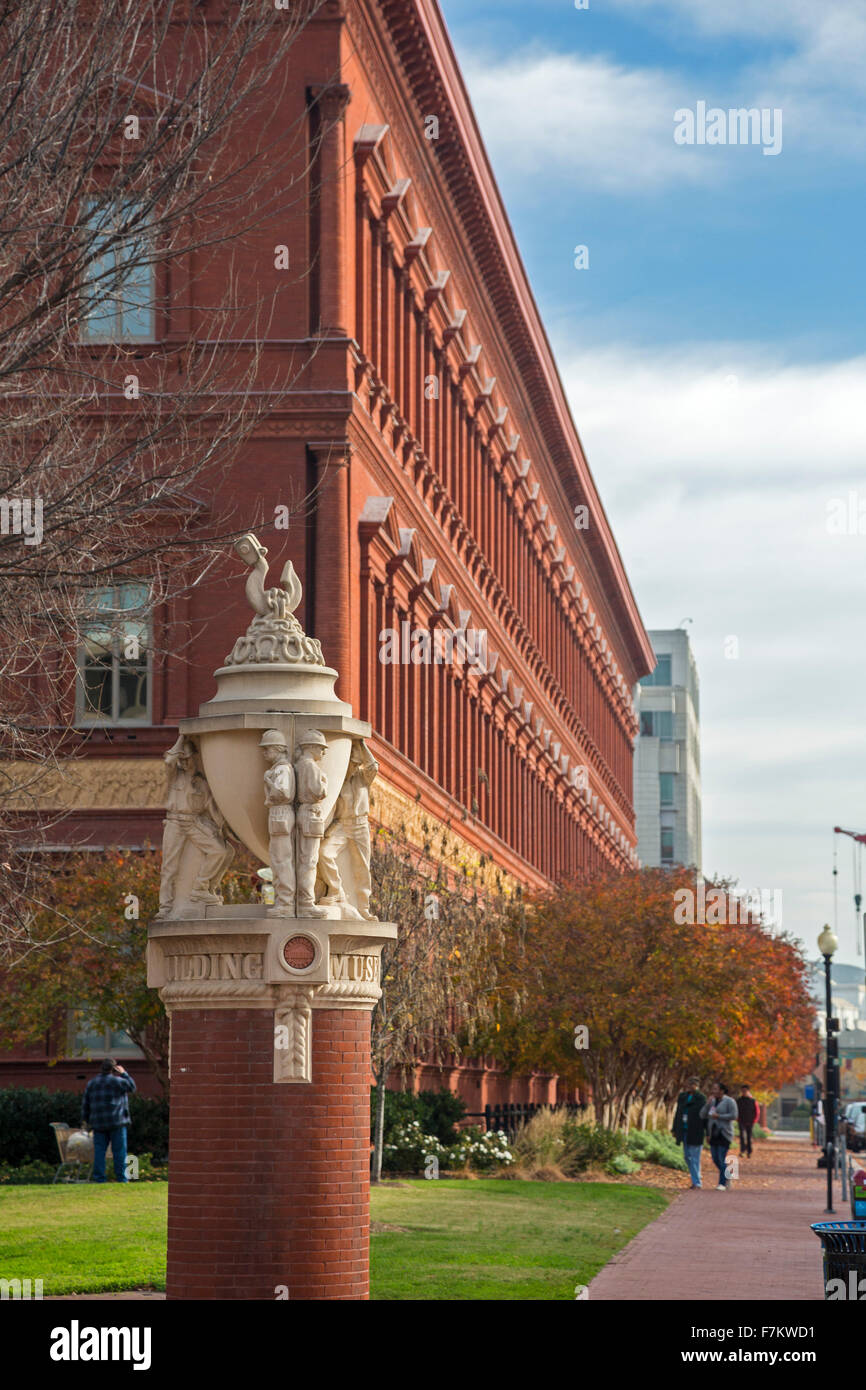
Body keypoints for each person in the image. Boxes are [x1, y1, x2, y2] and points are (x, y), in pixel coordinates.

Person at [82, 1057, 136, 1184]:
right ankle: (121, 1178)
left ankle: (100, 1178)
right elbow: (132, 1087)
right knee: (119, 1151)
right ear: (114, 1069)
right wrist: (124, 1073)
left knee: (100, 1151)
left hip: (98, 1123)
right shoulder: (118, 1081)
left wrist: (85, 1120)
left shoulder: (92, 1083)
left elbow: (86, 1103)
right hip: (117, 1121)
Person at [701, 1082, 738, 1190]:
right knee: (715, 1158)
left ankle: (722, 1183)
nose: (713, 1091)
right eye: (713, 1089)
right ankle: (728, 1175)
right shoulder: (712, 1102)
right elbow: (702, 1115)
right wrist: (707, 1104)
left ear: (722, 1091)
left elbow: (734, 1115)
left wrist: (719, 1116)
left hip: (724, 1133)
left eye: (716, 1089)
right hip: (713, 1133)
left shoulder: (730, 1101)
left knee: (721, 1157)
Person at [672, 1075, 706, 1189]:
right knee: (687, 1157)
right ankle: (697, 1176)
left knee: (695, 1156)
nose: (691, 1086)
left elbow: (703, 1116)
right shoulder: (682, 1097)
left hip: (696, 1131)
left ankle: (696, 1182)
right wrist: (675, 1128)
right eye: (689, 1084)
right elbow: (678, 1113)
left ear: (697, 1086)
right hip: (684, 1130)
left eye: (693, 1084)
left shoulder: (701, 1098)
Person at [737, 1084, 758, 1157]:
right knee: (742, 1136)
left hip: (750, 1121)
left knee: (749, 1137)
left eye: (745, 1091)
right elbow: (736, 1110)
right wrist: (737, 1119)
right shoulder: (739, 1101)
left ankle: (749, 1151)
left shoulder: (753, 1101)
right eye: (742, 1091)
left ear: (748, 1091)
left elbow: (757, 1111)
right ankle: (742, 1150)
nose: (743, 1092)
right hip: (741, 1121)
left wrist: (755, 1120)